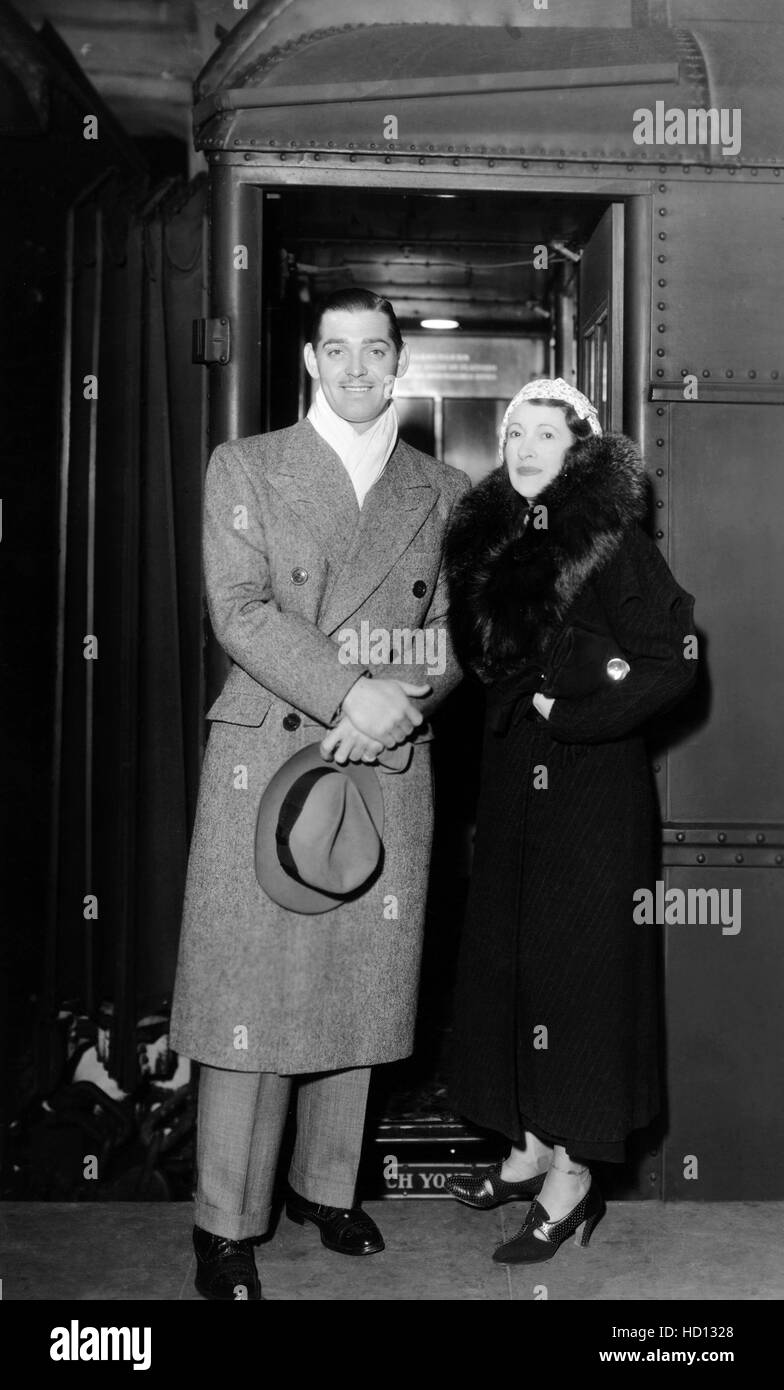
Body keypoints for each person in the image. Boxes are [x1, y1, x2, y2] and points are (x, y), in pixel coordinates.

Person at [169, 287, 470, 1299]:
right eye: (335, 351)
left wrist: (397, 705)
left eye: (374, 352)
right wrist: (349, 689)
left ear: (398, 365)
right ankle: (226, 1221)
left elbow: (461, 638)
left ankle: (326, 1187)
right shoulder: (245, 466)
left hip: (385, 754)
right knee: (250, 989)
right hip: (271, 751)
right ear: (309, 358)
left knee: (357, 980)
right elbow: (240, 613)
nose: (354, 371)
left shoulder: (444, 490)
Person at [443, 378, 697, 1264]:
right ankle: (534, 1141)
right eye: (514, 432)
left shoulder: (614, 543)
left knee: (579, 983)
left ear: (580, 449)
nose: (523, 448)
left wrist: (568, 712)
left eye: (545, 435)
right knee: (517, 970)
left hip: (592, 799)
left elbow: (673, 660)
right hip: (516, 791)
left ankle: (574, 1177)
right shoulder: (503, 540)